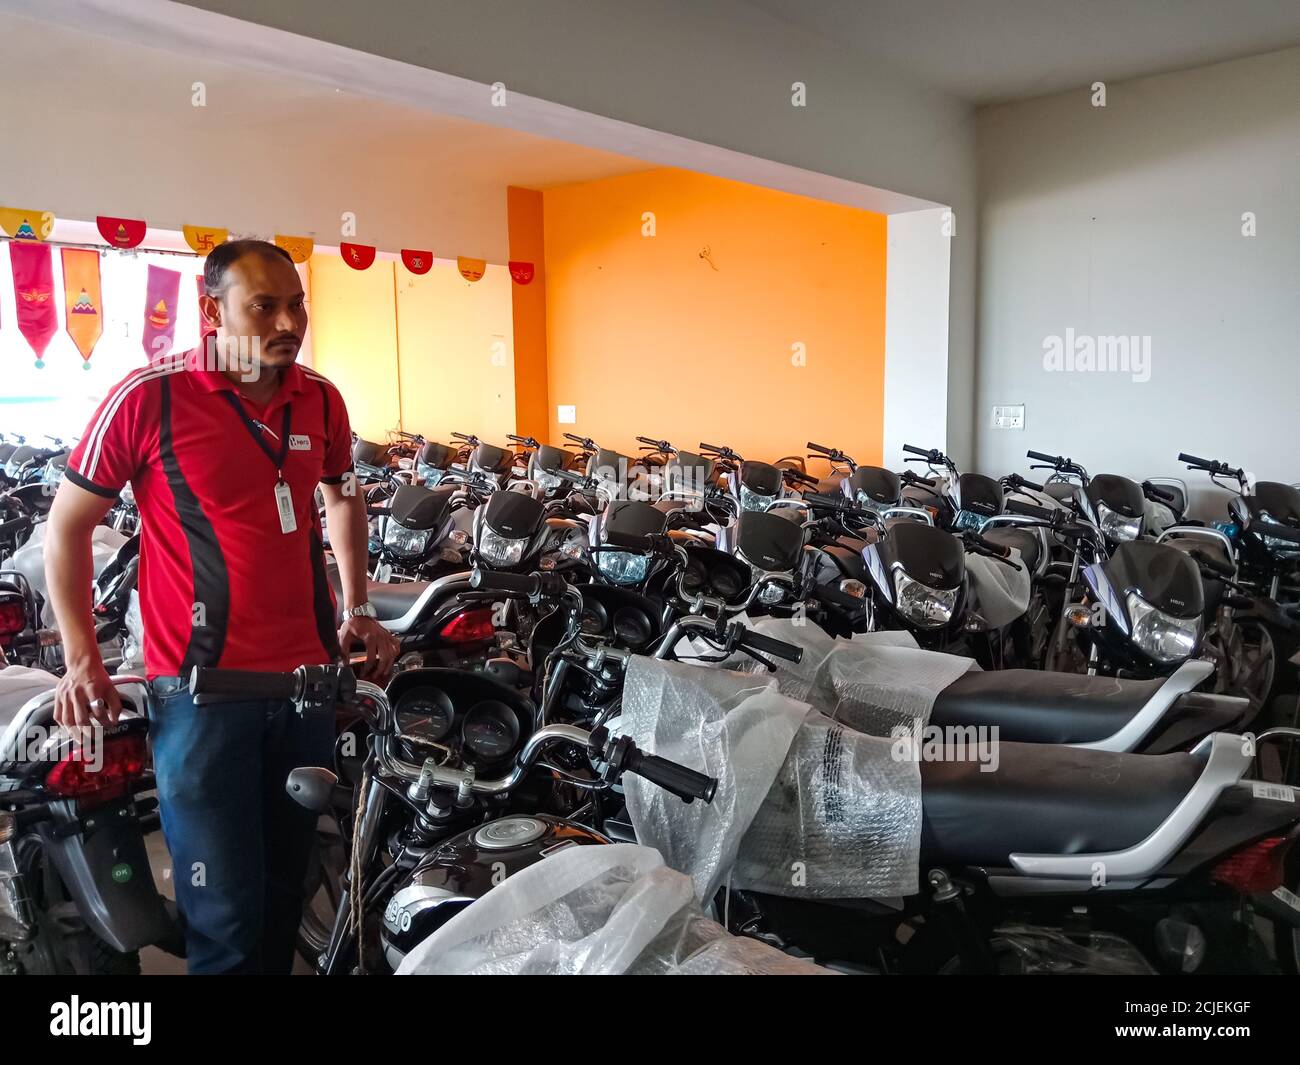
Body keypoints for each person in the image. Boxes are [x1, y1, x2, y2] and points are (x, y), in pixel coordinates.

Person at [46, 239, 399, 974]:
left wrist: (358, 603)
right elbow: (67, 526)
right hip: (202, 696)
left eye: (296, 303)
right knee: (226, 918)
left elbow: (342, 496)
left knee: (285, 895)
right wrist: (83, 658)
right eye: (263, 305)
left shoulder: (320, 397)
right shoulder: (150, 398)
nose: (287, 321)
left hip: (305, 688)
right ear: (212, 310)